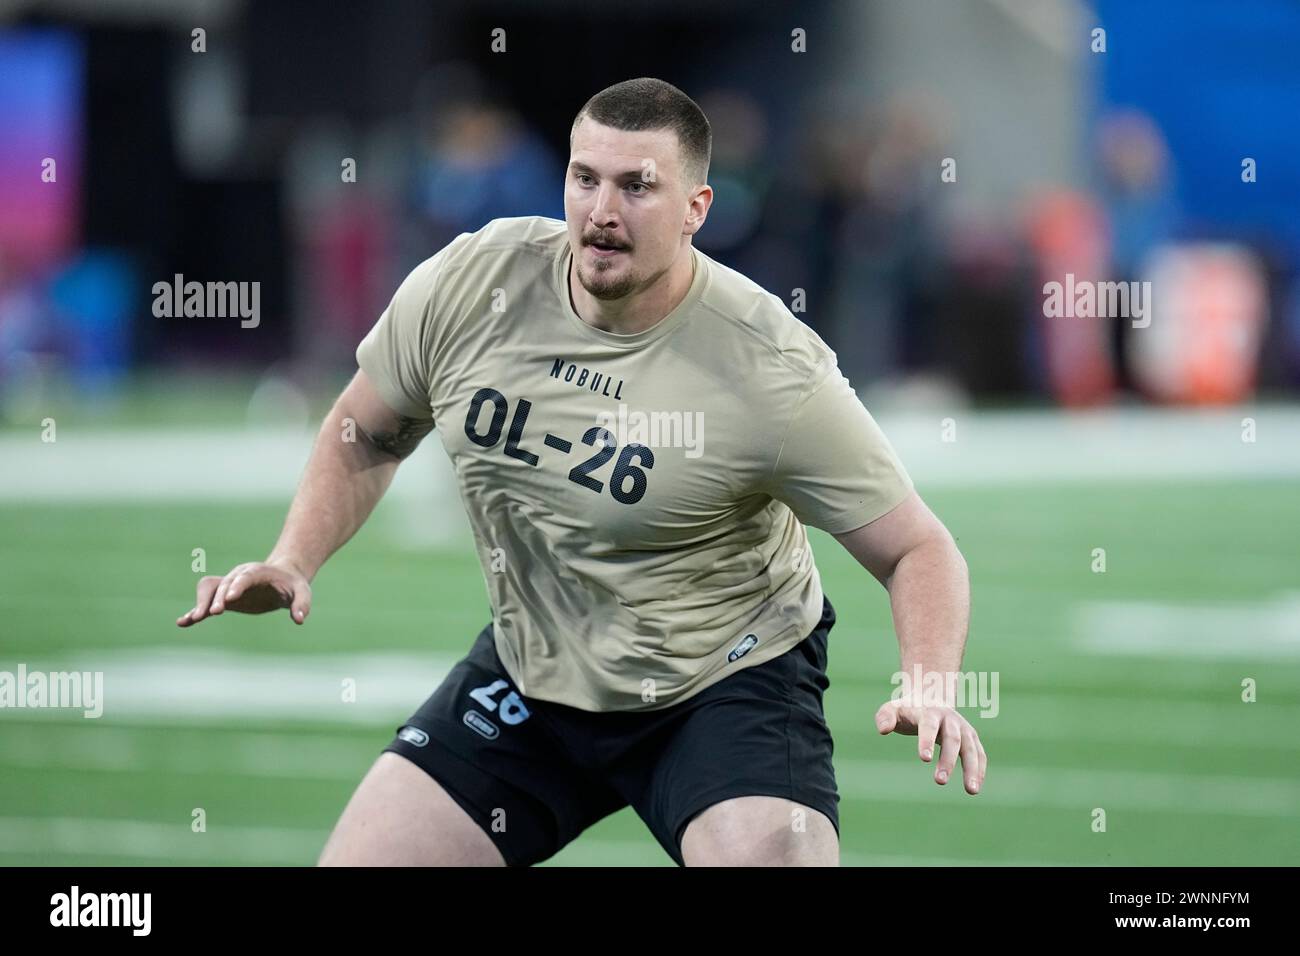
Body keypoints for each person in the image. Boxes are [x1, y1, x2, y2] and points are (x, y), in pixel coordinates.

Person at [176, 77, 985, 867]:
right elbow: (366, 431)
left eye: (638, 186)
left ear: (696, 210)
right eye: (585, 179)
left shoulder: (770, 369)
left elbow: (917, 547)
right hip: (535, 669)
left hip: (720, 684)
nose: (601, 213)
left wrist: (931, 683)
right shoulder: (472, 286)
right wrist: (292, 558)